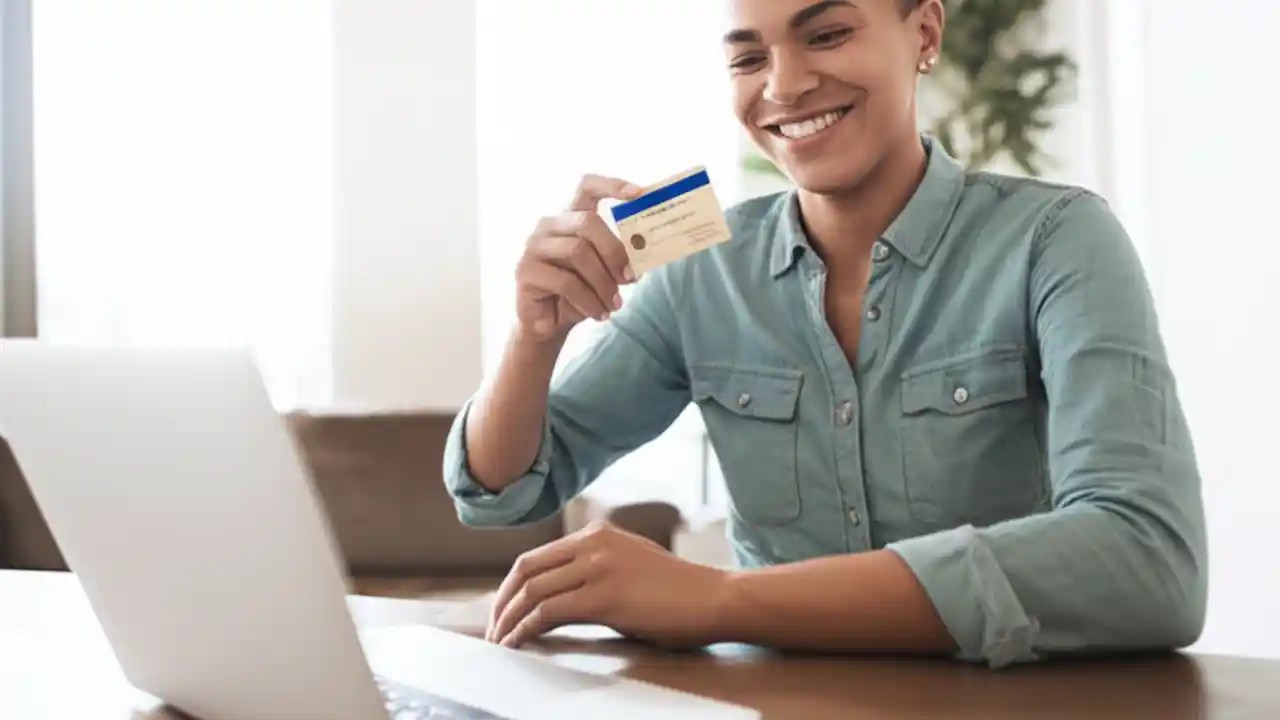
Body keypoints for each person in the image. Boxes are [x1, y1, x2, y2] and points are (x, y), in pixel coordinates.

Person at [441, 0, 1206, 668]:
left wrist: (719, 600)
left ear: (925, 32)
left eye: (828, 32)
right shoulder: (703, 267)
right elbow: (505, 493)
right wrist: (532, 336)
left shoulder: (1058, 239)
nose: (783, 84)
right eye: (748, 55)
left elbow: (1148, 564)